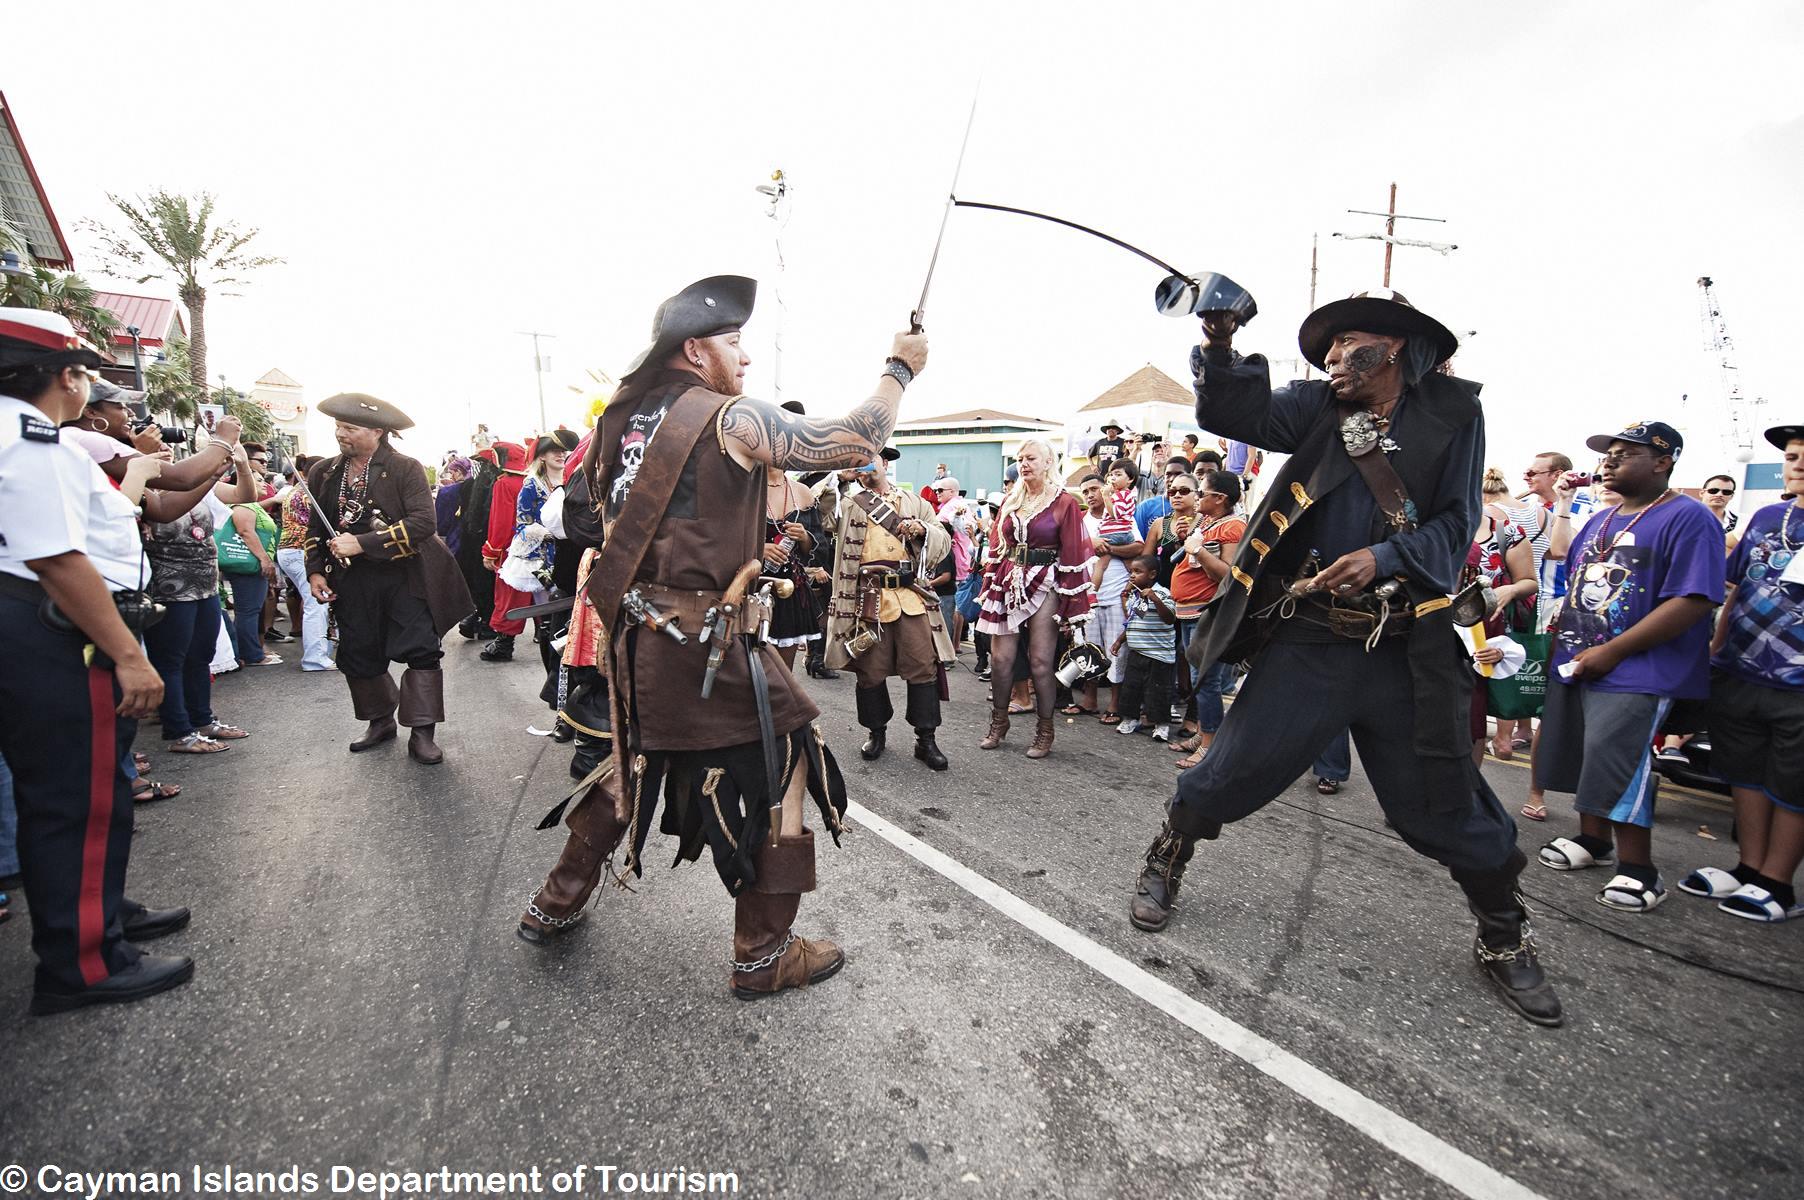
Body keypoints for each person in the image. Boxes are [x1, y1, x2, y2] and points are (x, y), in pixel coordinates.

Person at [1125, 288, 1562, 1027]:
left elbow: (1458, 525)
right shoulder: (1319, 404)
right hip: (1313, 640)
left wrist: (1385, 554)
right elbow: (1236, 415)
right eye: (1325, 352)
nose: (1330, 360)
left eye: (1346, 347)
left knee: (1447, 804)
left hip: (1408, 647)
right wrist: (1224, 341)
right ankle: (1168, 855)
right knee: (1227, 771)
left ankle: (1503, 937)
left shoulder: (1455, 415)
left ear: (1392, 348)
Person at [516, 274, 926, 1003]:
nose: (743, 359)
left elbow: (585, 522)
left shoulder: (616, 422)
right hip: (706, 641)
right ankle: (761, 956)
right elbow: (860, 438)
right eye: (734, 343)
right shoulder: (729, 419)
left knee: (632, 760)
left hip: (639, 641)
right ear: (696, 348)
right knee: (793, 757)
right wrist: (900, 368)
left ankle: (556, 898)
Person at [0, 308, 193, 1014]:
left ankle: (102, 913)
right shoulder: (31, 443)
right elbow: (55, 556)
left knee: (78, 789)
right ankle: (84, 960)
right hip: (44, 625)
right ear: (63, 377)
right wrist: (126, 656)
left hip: (27, 623)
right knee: (74, 798)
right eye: (82, 372)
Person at [1533, 421, 1723, 914]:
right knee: (1583, 754)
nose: (1609, 461)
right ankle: (1594, 840)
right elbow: (1567, 567)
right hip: (1579, 658)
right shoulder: (1602, 519)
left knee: (1620, 760)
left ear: (1663, 463)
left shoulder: (1688, 517)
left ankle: (1640, 870)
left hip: (1639, 668)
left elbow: (1694, 598)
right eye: (1608, 453)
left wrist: (1613, 651)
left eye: (1625, 454)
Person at [305, 394, 474, 765]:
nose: (340, 434)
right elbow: (316, 527)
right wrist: (315, 570)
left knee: (421, 651)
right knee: (359, 651)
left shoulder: (404, 468)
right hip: (352, 581)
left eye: (350, 428)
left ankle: (423, 733)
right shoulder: (324, 473)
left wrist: (362, 543)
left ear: (377, 432)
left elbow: (423, 524)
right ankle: (380, 722)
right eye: (338, 426)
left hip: (405, 576)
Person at [1682, 425, 1804, 921]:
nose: (1797, 464)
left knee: (1793, 784)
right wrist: (1716, 647)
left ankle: (1780, 882)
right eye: (1793, 456)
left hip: (1798, 684)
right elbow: (1735, 587)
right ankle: (1750, 868)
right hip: (1742, 669)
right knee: (1745, 773)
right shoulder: (1768, 516)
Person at [823, 447, 955, 771]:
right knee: (869, 673)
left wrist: (923, 531)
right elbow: (822, 513)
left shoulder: (916, 503)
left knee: (923, 668)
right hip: (869, 599)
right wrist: (839, 479)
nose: (866, 467)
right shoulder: (849, 502)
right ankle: (876, 732)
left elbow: (943, 538)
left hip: (909, 598)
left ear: (885, 463)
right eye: (859, 462)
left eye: (871, 459)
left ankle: (926, 740)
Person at [973, 440, 1093, 756]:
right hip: (1008, 579)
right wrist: (991, 581)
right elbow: (998, 544)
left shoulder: (1065, 502)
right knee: (1001, 661)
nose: (1024, 464)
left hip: (1047, 581)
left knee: (1041, 662)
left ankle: (1045, 730)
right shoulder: (1014, 499)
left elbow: (1073, 552)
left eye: (1031, 459)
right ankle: (999, 723)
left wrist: (1072, 604)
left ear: (1048, 461)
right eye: (1020, 459)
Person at [1164, 470, 1246, 769]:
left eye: (1202, 493)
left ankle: (1211, 747)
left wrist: (1197, 549)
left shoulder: (1233, 526)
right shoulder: (1211, 522)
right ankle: (1202, 735)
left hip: (1205, 612)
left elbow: (1229, 574)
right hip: (1189, 610)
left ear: (1220, 498)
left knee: (1206, 679)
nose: (1197, 497)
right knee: (1201, 679)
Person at [764, 403, 827, 671]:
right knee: (746, 666)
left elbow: (820, 548)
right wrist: (759, 547)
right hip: (750, 586)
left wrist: (803, 537)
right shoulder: (742, 487)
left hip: (791, 590)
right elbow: (719, 538)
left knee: (782, 673)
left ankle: (778, 713)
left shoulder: (803, 492)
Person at [1111, 555, 1176, 740]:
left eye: (1137, 572)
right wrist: (1119, 640)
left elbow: (1170, 618)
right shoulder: (1137, 595)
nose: (1132, 575)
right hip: (1137, 651)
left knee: (1157, 692)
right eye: (1131, 571)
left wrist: (1156, 600)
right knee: (1131, 688)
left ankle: (1161, 725)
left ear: (1152, 574)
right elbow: (1134, 621)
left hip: (1158, 655)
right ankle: (1130, 719)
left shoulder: (1162, 593)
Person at [479, 440, 532, 661]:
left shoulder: (505, 484)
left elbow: (501, 522)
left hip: (513, 549)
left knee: (509, 596)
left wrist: (491, 550)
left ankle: (504, 643)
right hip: (540, 546)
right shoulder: (533, 481)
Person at [454, 446, 503, 640]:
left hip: (476, 540)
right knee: (484, 582)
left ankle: (481, 618)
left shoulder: (479, 485)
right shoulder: (490, 484)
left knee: (480, 581)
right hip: (481, 539)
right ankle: (483, 619)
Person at [1699, 473, 1741, 549]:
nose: (1719, 494)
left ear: (1731, 496)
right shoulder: (1685, 519)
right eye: (1713, 491)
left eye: (1726, 492)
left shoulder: (1740, 522)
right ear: (1702, 493)